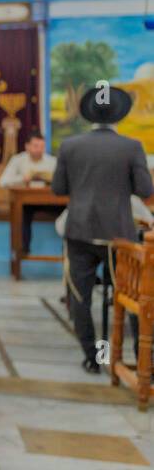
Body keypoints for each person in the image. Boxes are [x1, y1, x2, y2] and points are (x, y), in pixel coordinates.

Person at [52, 86, 154, 373]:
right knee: (128, 295)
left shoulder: (70, 146)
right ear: (119, 114)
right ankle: (138, 358)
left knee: (81, 297)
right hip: (119, 234)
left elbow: (58, 189)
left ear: (88, 114)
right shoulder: (131, 146)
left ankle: (93, 358)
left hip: (80, 231)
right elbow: (146, 190)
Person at [0, 130, 59, 254]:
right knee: (21, 212)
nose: (39, 150)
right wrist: (22, 179)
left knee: (70, 210)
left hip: (51, 201)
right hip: (27, 202)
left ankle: (67, 252)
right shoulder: (18, 160)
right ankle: (22, 250)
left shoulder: (52, 161)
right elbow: (3, 182)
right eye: (36, 146)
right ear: (27, 146)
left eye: (42, 146)